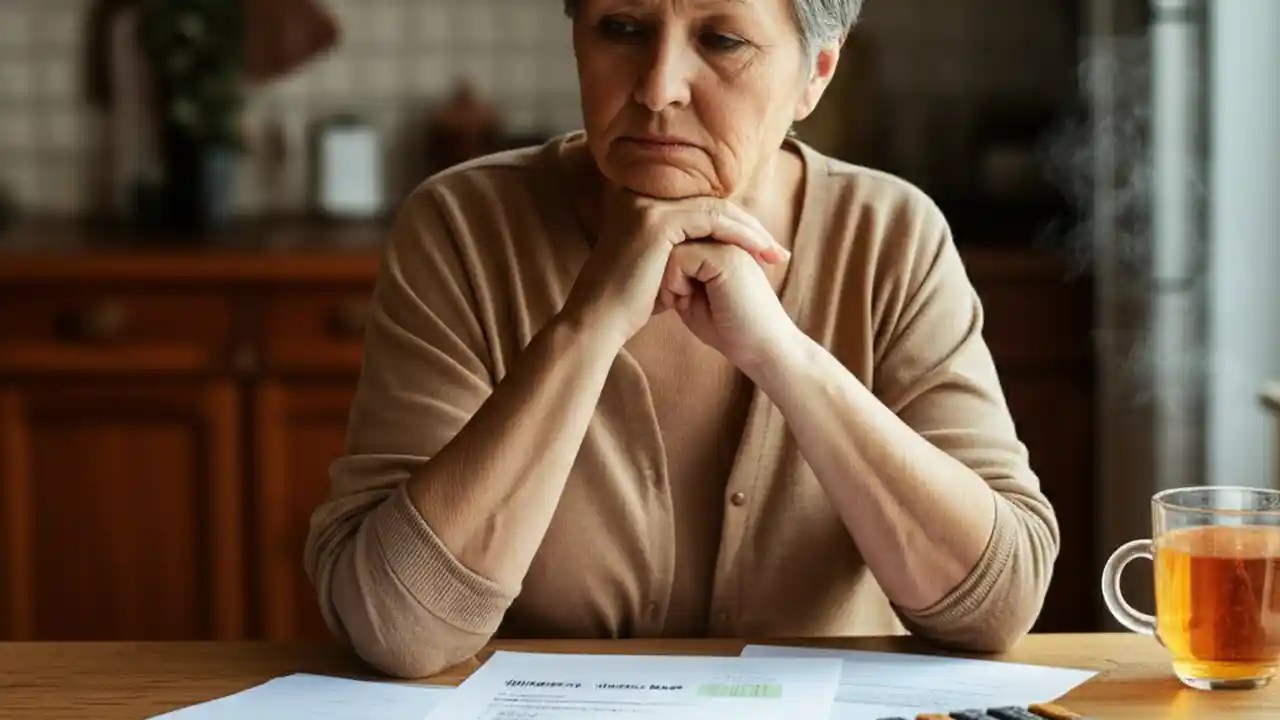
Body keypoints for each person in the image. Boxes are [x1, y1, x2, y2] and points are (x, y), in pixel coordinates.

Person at [305, 0, 1060, 679]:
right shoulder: (461, 229)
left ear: (816, 75)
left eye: (723, 40)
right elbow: (395, 627)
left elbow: (995, 605)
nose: (658, 87)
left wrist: (782, 354)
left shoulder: (892, 236)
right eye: (620, 28)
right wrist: (588, 325)